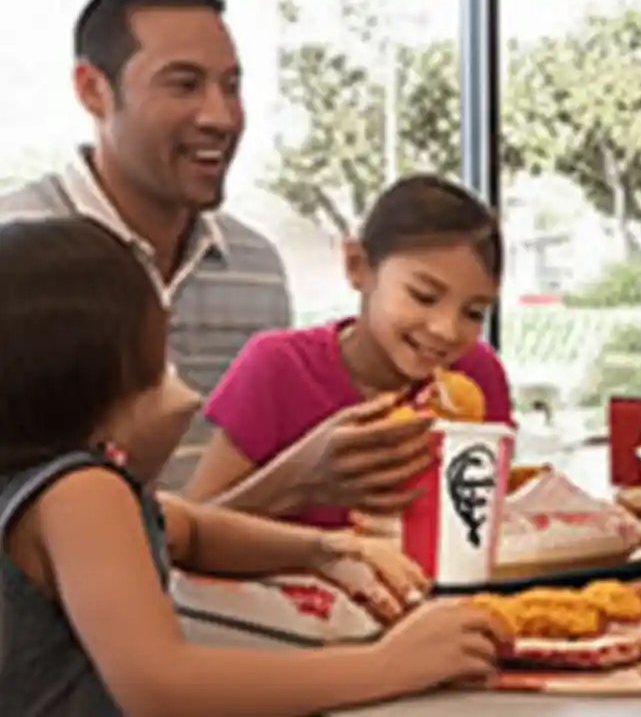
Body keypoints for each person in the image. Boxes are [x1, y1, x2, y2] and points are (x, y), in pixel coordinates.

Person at [0, 216, 508, 716]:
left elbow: (192, 530)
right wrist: (389, 665)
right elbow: (163, 686)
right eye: (160, 363)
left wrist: (324, 550)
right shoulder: (83, 494)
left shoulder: (53, 486)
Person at [0, 0, 291, 490]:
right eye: (184, 84)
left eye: (232, 86)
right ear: (92, 90)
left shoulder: (257, 268)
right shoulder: (15, 258)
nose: (220, 117)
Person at [184, 174, 511, 528]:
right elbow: (188, 529)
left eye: (474, 313)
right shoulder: (278, 368)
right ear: (357, 266)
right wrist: (298, 482)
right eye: (423, 296)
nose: (446, 330)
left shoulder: (476, 375)